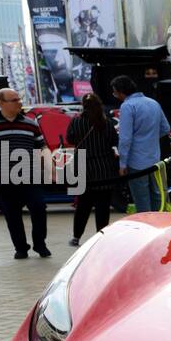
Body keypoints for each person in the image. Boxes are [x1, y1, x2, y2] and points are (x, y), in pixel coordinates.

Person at [0, 87, 51, 259]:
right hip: (4, 177)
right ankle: (21, 248)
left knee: (39, 207)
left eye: (19, 99)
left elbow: (42, 146)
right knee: (12, 214)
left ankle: (40, 244)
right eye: (14, 100)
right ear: (1, 103)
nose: (19, 102)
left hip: (30, 175)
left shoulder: (30, 123)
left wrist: (50, 167)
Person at [66, 93, 120, 245]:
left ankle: (76, 237)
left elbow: (70, 139)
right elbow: (114, 141)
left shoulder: (75, 122)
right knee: (103, 206)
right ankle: (100, 237)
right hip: (104, 168)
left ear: (83, 106)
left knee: (83, 205)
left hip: (83, 168)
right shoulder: (107, 123)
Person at [111, 75, 169, 213]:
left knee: (142, 199)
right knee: (157, 196)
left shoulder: (127, 106)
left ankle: (147, 229)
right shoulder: (153, 103)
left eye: (115, 92)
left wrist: (122, 164)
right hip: (155, 158)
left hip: (136, 161)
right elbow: (166, 128)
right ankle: (159, 226)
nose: (115, 95)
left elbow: (125, 139)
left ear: (121, 91)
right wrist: (150, 138)